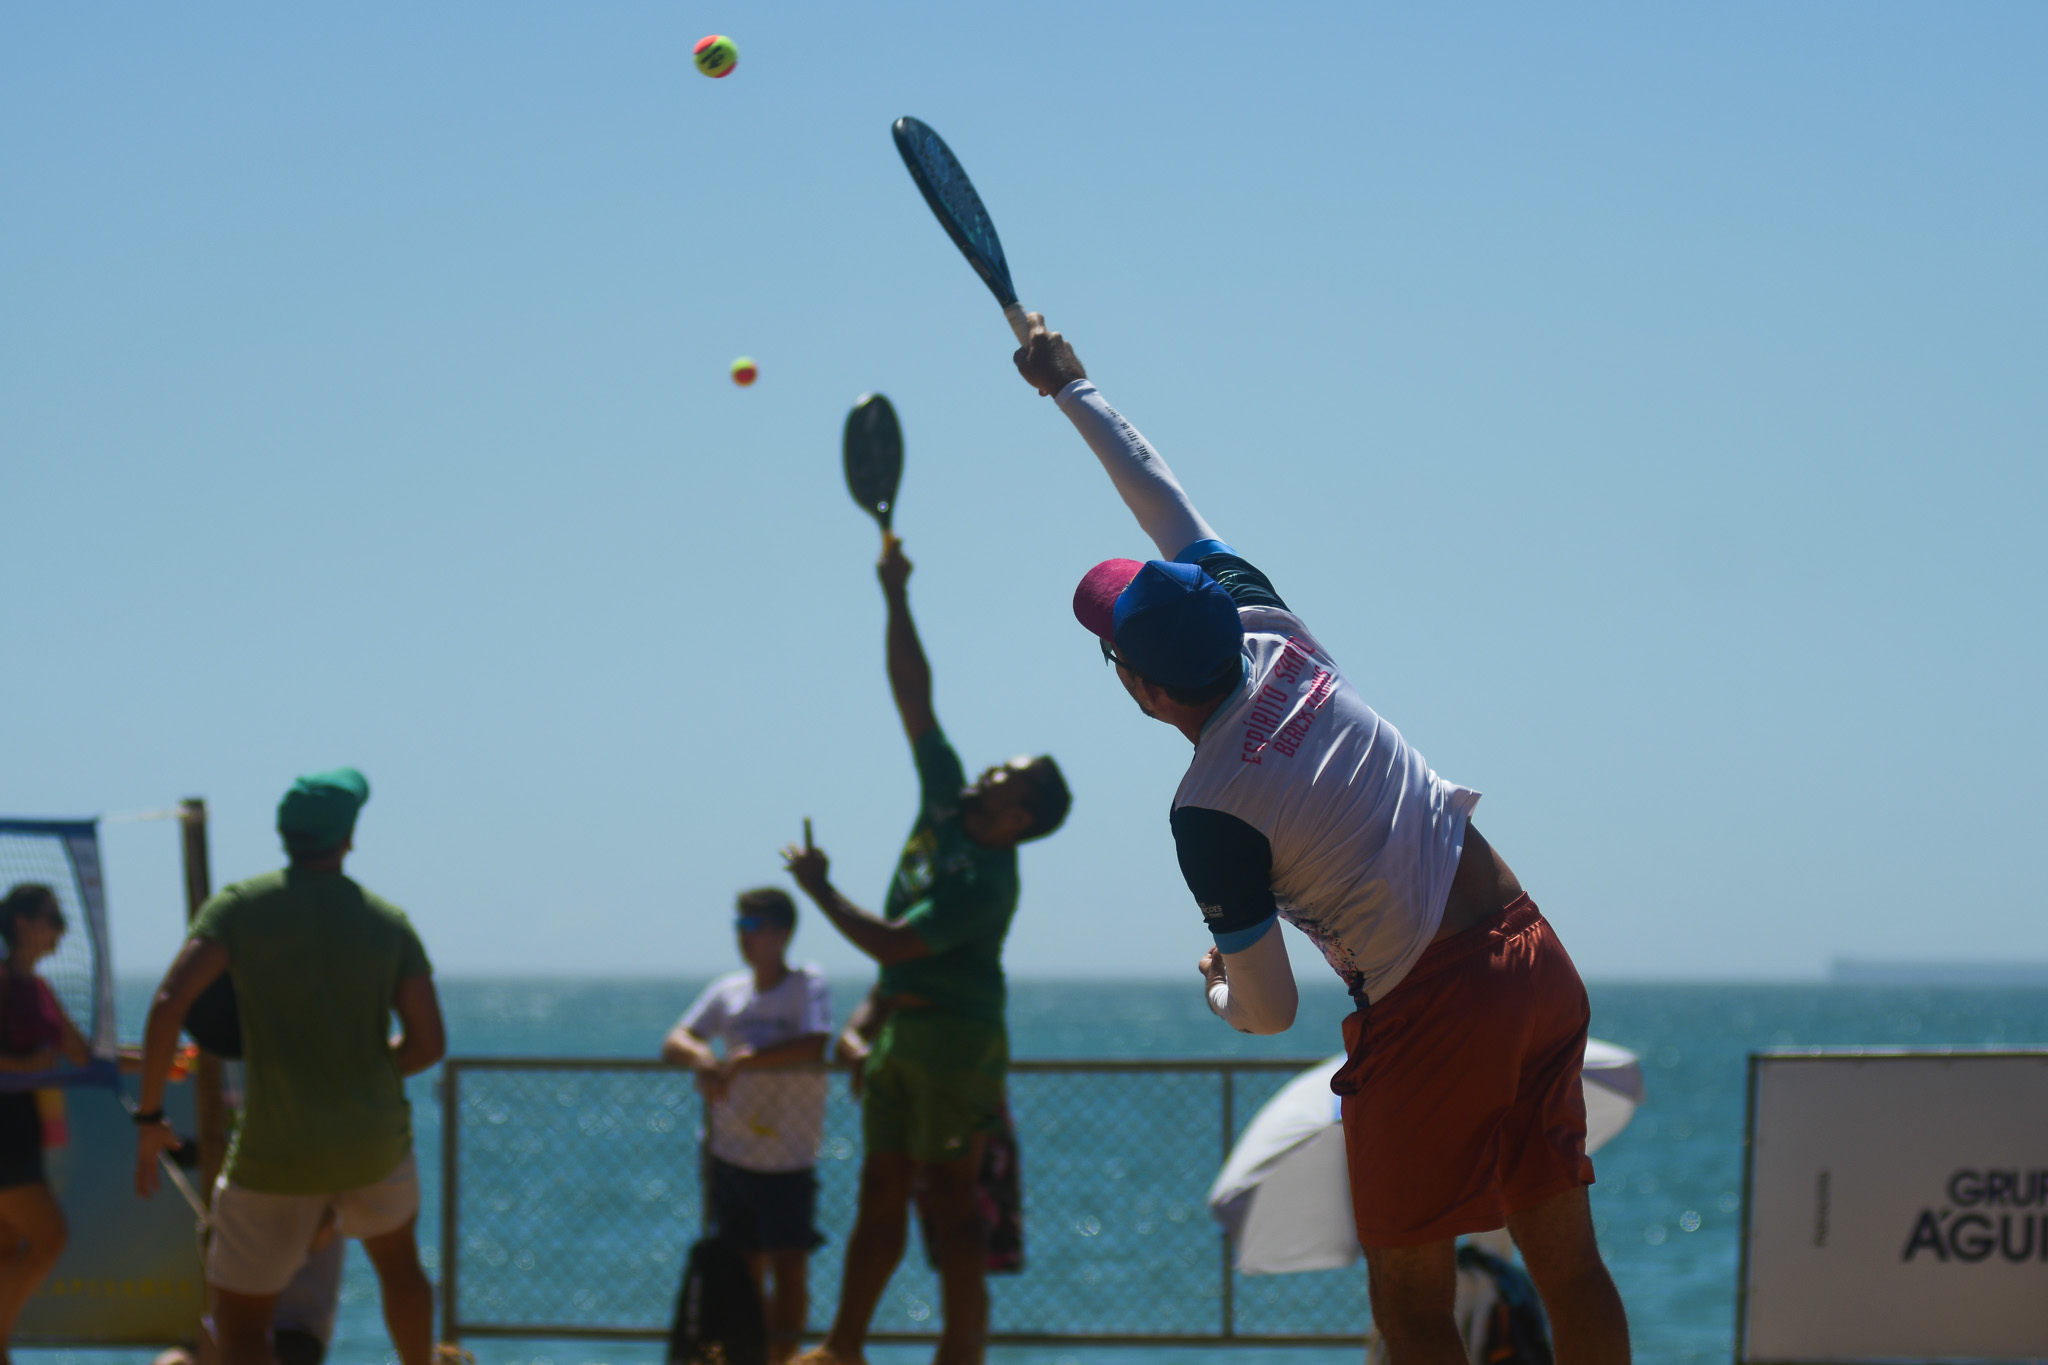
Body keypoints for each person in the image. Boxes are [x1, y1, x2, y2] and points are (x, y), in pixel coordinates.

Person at [1013, 318, 1631, 1365]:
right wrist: (1072, 387)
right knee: (1567, 1263)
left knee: (1410, 1305)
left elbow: (1270, 1010)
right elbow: (1162, 498)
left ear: (1145, 691)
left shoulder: (1210, 808)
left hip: (1432, 1008)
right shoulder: (1263, 624)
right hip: (1531, 952)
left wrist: (1218, 983)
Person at [782, 534, 1069, 1365]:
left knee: (950, 1200)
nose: (990, 770)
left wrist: (819, 889)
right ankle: (842, 1347)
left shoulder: (989, 881)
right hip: (902, 1030)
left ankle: (959, 1352)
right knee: (879, 1189)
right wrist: (896, 592)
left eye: (1007, 775)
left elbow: (895, 941)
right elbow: (914, 692)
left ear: (1019, 816)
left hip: (955, 1040)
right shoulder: (946, 798)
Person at [132, 767, 446, 1365]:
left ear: (284, 834)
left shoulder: (240, 909)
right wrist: (363, 1074)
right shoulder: (388, 923)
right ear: (348, 837)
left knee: (243, 1321)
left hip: (276, 1151)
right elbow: (428, 1044)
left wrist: (150, 1118)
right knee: (399, 1268)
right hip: (372, 1142)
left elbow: (170, 1004)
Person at [662, 887, 833, 1365]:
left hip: (789, 1154)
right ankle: (751, 1357)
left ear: (783, 933)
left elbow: (816, 1043)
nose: (744, 937)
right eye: (740, 926)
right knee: (744, 1265)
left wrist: (748, 1060)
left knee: (790, 1263)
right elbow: (675, 1039)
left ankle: (784, 1358)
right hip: (731, 1150)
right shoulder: (728, 990)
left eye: (754, 927)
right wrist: (703, 1058)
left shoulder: (807, 985)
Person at [0, 884, 92, 1360]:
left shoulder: (39, 989)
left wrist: (163, 1061)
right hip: (4, 1143)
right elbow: (27, 1061)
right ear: (22, 924)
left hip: (23, 1138)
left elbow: (84, 1056)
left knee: (7, 1251)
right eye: (53, 919)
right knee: (50, 1238)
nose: (62, 930)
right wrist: (24, 1065)